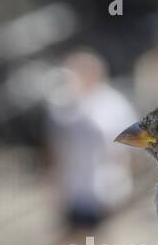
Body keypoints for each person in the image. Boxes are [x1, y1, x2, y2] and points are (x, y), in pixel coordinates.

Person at [44, 50, 137, 235]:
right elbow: (56, 147)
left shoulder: (114, 104)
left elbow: (127, 148)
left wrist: (122, 180)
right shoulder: (64, 104)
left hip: (106, 187)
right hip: (74, 188)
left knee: (100, 243)